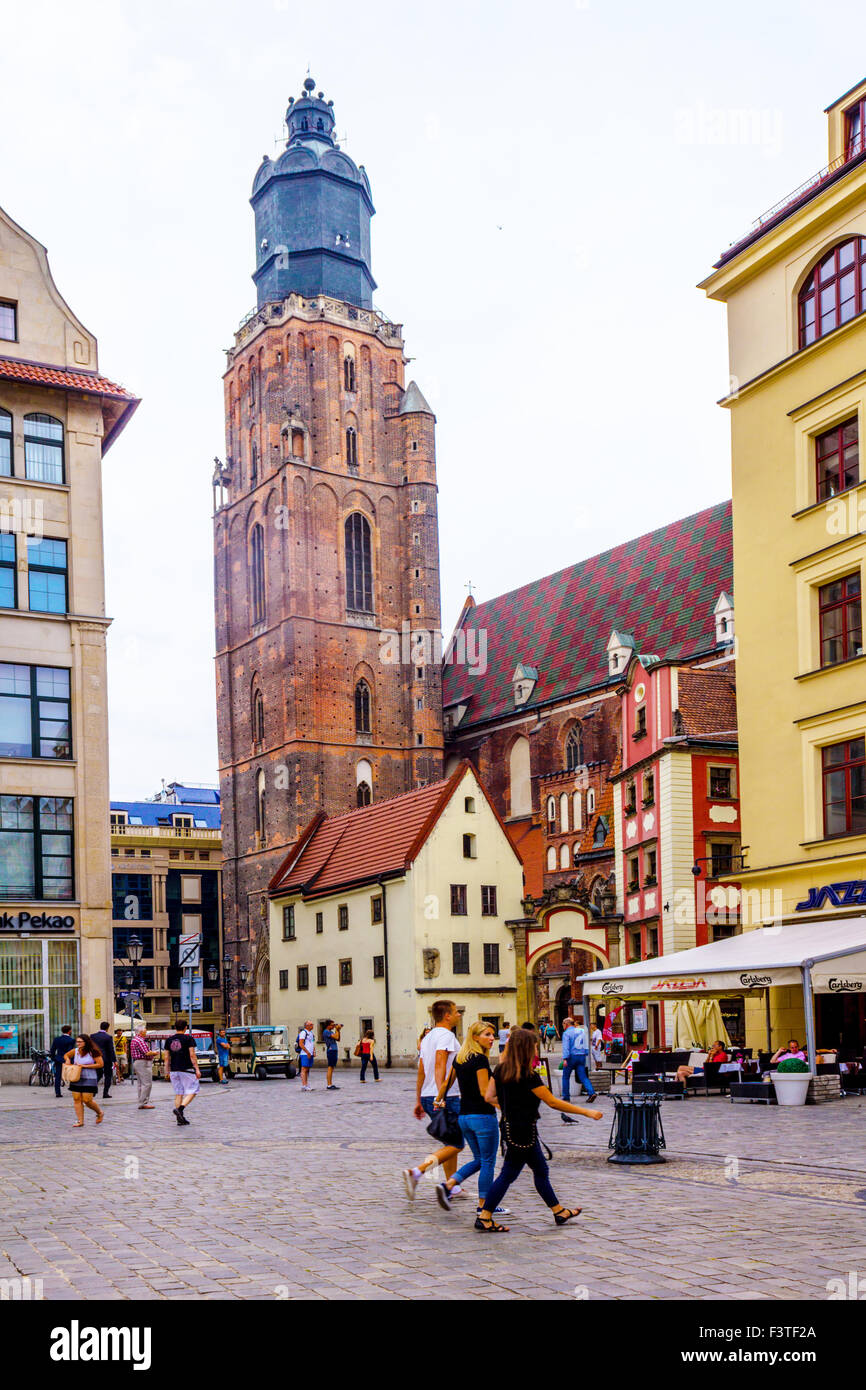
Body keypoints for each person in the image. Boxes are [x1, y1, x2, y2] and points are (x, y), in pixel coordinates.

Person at [476, 1027, 603, 1232]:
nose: (536, 1048)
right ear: (526, 1049)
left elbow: (489, 1097)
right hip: (523, 1131)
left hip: (511, 1127)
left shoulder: (501, 1070)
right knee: (508, 1174)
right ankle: (485, 1216)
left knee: (541, 1170)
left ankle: (559, 1211)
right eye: (534, 1045)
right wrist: (586, 1112)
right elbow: (552, 1102)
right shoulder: (528, 1075)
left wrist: (510, 1106)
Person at [433, 1020, 508, 1218]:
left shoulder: (460, 1058)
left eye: (493, 1035)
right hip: (482, 1117)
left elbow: (447, 1083)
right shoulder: (479, 1060)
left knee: (479, 1160)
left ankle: (449, 1184)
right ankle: (484, 1206)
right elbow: (486, 1093)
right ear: (475, 1037)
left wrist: (438, 1099)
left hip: (464, 1117)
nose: (492, 1038)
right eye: (487, 1035)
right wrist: (507, 1109)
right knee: (488, 1161)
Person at [402, 999, 465, 1199]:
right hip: (446, 1096)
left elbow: (422, 1071)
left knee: (450, 1142)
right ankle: (417, 1172)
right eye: (456, 1012)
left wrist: (419, 1099)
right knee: (457, 1144)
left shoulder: (428, 1037)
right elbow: (439, 1063)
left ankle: (451, 1185)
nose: (459, 1015)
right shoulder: (446, 1035)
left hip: (428, 1095)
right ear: (447, 1015)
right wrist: (441, 1095)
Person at [561, 1013, 598, 1120]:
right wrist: (585, 1053)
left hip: (571, 1056)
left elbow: (566, 1046)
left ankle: (566, 1096)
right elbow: (586, 1043)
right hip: (581, 1055)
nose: (563, 1025)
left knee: (566, 1076)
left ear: (566, 1024)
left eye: (563, 1024)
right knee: (583, 1076)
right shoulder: (581, 1031)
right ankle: (591, 1092)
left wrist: (565, 1058)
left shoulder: (567, 1033)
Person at [64, 1033, 104, 1127]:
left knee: (87, 1100)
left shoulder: (93, 1051)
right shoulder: (76, 1051)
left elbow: (100, 1064)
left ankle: (99, 1112)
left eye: (80, 1042)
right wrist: (67, 1060)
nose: (78, 1043)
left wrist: (85, 1066)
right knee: (77, 1099)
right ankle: (80, 1121)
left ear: (86, 1042)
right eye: (77, 1042)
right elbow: (66, 1055)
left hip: (89, 1078)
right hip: (76, 1076)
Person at [165, 1018, 201, 1125]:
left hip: (174, 1070)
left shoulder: (169, 1040)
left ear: (175, 1027)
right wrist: (197, 1069)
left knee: (178, 1093)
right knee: (193, 1090)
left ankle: (180, 1119)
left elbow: (166, 1058)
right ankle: (180, 1109)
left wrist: (167, 1072)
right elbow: (192, 1055)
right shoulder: (188, 1039)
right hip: (186, 1069)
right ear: (186, 1028)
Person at [129, 1023, 157, 1109]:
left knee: (140, 1084)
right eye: (145, 1030)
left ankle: (141, 1101)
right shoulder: (140, 1040)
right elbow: (146, 1052)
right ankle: (143, 1102)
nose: (146, 1032)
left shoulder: (134, 1039)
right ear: (141, 1032)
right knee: (147, 1083)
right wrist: (154, 1052)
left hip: (138, 1062)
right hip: (143, 1062)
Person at [91, 1021, 117, 1100]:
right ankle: (105, 1093)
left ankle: (94, 1091)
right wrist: (114, 1060)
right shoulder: (108, 1037)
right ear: (107, 1028)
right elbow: (110, 1049)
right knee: (108, 1076)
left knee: (97, 1075)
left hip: (96, 1058)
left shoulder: (92, 1036)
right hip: (106, 1059)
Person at [49, 1024, 73, 1098]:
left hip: (58, 1059)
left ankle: (57, 1092)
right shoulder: (71, 1040)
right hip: (67, 1060)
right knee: (71, 1075)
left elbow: (52, 1050)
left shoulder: (57, 1039)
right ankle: (72, 1088)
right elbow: (70, 1051)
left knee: (58, 1076)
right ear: (69, 1031)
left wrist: (53, 1058)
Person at [298, 1020, 316, 1091]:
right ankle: (304, 1085)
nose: (312, 1026)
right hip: (305, 1053)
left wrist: (313, 1051)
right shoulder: (303, 1033)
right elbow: (301, 1044)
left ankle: (306, 1084)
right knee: (304, 1069)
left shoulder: (311, 1033)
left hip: (310, 1053)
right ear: (307, 1026)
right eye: (311, 1024)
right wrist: (307, 1052)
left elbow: (312, 1043)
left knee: (307, 1069)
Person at [323, 1021, 341, 1090]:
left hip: (334, 1050)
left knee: (332, 1067)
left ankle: (330, 1084)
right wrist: (337, 1029)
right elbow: (336, 1037)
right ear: (328, 1026)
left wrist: (338, 1031)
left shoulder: (330, 1032)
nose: (333, 1026)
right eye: (332, 1025)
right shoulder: (326, 1031)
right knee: (330, 1067)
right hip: (331, 1050)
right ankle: (329, 1085)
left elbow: (338, 1039)